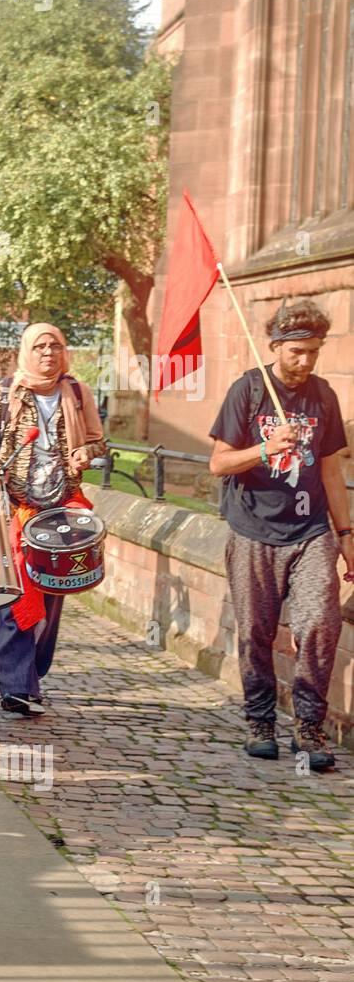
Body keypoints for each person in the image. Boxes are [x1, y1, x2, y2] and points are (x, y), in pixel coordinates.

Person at [208, 299, 350, 771]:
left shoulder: (323, 396)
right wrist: (264, 447)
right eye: (296, 352)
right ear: (275, 347)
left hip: (309, 530)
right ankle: (260, 721)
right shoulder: (247, 390)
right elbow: (218, 463)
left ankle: (309, 726)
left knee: (318, 624)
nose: (305, 361)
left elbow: (332, 470)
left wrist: (346, 533)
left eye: (313, 351)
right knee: (256, 631)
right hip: (253, 528)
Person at [0, 323, 107, 716]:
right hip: (16, 508)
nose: (48, 352)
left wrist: (85, 453)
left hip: (63, 507)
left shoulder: (77, 392)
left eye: (55, 345)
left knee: (55, 593)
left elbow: (97, 439)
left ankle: (32, 672)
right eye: (40, 346)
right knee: (19, 593)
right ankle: (16, 687)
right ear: (27, 351)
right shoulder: (6, 391)